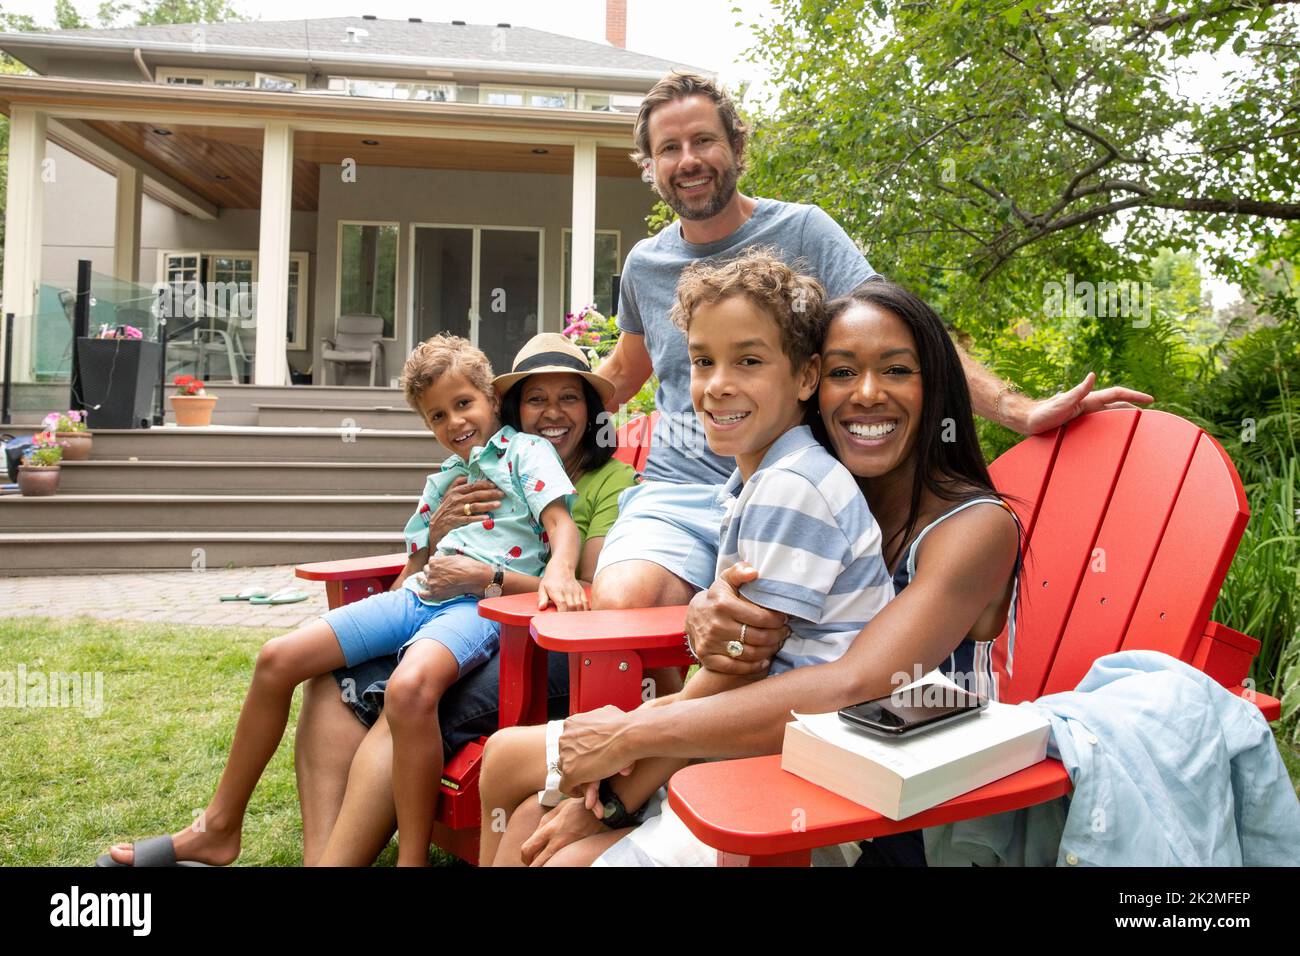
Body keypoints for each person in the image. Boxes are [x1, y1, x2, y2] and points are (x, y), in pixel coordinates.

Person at [590, 70, 1152, 619]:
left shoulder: (804, 232)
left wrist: (1019, 411)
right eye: (669, 148)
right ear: (649, 166)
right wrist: (525, 423)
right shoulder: (645, 265)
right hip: (682, 493)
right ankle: (664, 697)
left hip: (794, 488)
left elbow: (897, 327)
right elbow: (628, 370)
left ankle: (695, 695)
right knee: (620, 603)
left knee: (766, 626)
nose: (688, 160)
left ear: (737, 147)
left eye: (704, 140)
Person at [499, 280, 1027, 866]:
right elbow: (744, 654)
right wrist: (704, 616)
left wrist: (632, 740)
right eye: (844, 373)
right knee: (528, 822)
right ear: (813, 383)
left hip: (904, 803)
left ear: (938, 388)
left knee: (567, 855)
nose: (867, 394)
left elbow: (853, 685)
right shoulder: (816, 493)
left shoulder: (973, 526)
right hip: (787, 756)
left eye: (897, 371)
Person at [101, 334, 588, 868]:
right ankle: (219, 826)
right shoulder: (443, 480)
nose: (454, 423)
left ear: (493, 400)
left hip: (478, 609)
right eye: (437, 416)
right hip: (419, 599)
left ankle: (411, 859)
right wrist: (429, 541)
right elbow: (407, 579)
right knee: (276, 658)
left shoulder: (526, 451)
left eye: (464, 404)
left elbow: (561, 525)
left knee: (410, 685)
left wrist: (560, 572)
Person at [477, 250, 898, 867]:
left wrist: (617, 789)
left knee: (557, 850)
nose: (717, 383)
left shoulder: (795, 489)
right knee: (517, 797)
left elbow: (740, 673)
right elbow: (727, 670)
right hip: (730, 739)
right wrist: (628, 744)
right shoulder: (755, 484)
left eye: (748, 361)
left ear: (806, 378)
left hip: (796, 776)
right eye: (703, 361)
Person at [293, 333, 638, 866]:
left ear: (591, 410)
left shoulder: (608, 482)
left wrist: (489, 578)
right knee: (329, 684)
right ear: (511, 407)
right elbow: (412, 581)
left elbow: (588, 599)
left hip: (539, 647)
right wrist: (434, 540)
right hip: (452, 622)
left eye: (569, 398)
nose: (553, 412)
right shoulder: (485, 471)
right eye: (536, 399)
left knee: (403, 703)